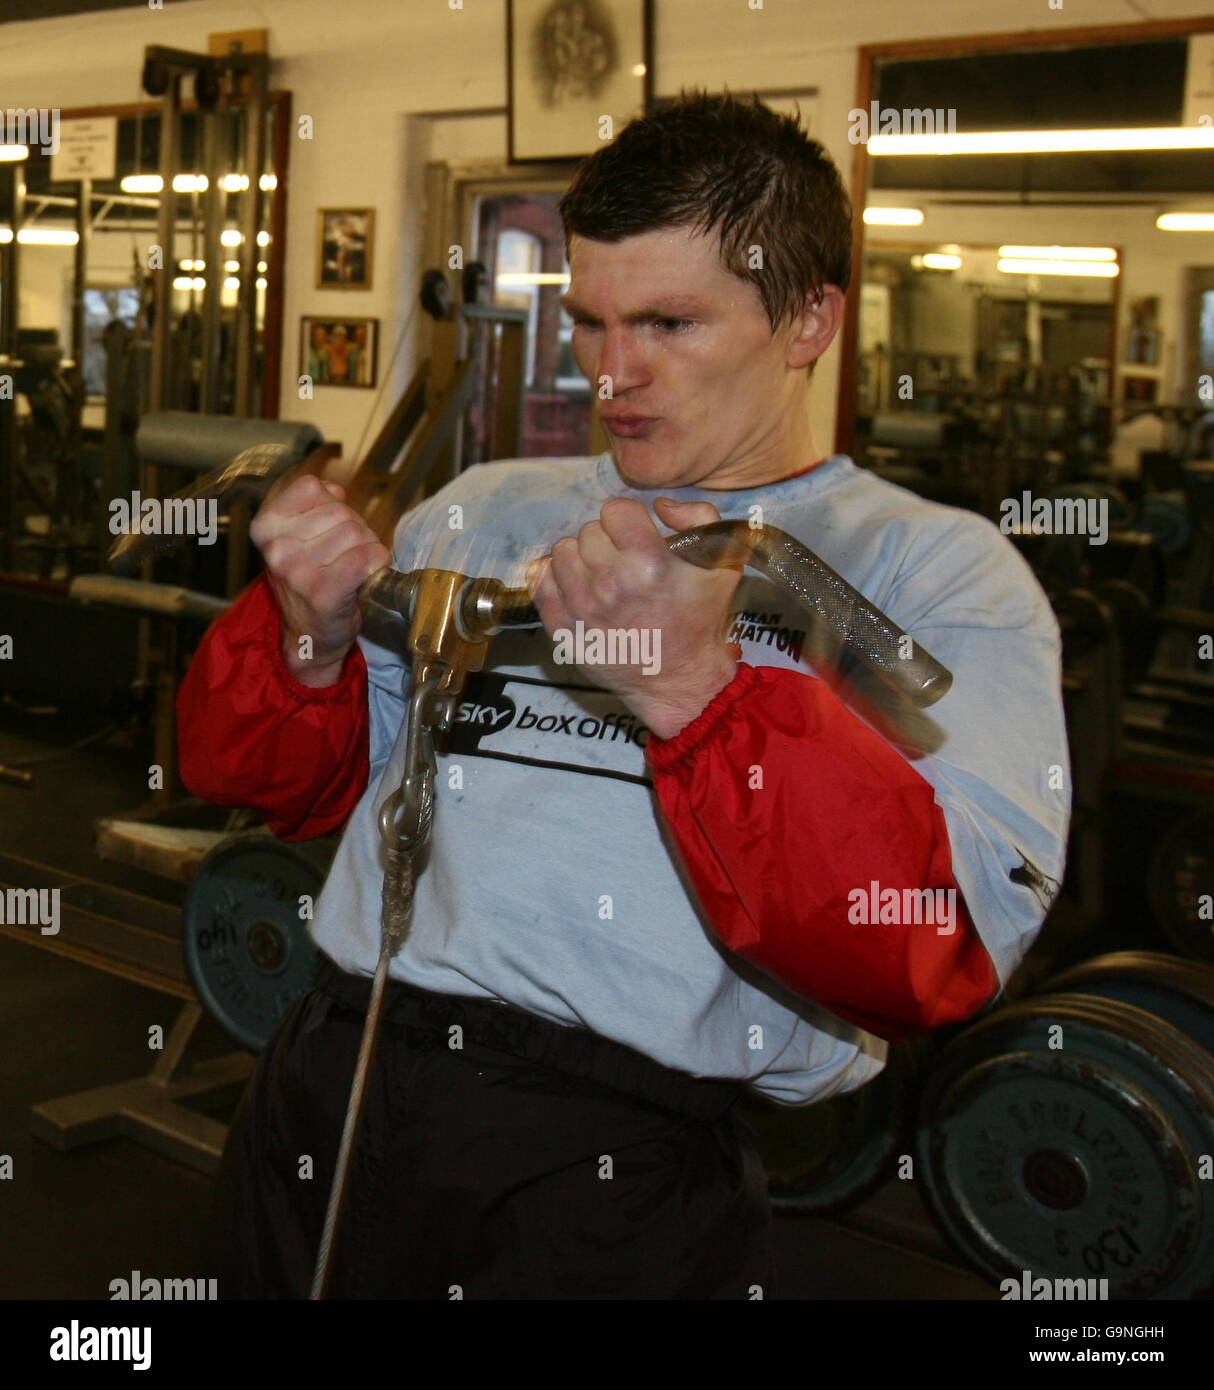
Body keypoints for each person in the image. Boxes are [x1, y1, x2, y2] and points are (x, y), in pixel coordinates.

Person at [177, 91, 1069, 1299]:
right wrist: (306, 641)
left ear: (808, 319)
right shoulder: (484, 507)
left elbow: (932, 942)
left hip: (614, 1151)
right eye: (590, 320)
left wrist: (701, 692)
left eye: (668, 321)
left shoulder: (935, 570)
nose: (613, 372)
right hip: (338, 1070)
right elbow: (271, 784)